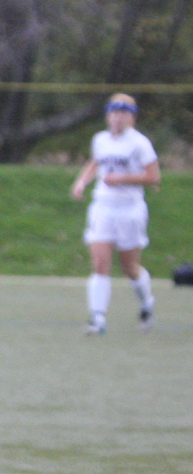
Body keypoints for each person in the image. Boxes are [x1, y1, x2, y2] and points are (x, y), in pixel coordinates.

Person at [71, 93, 161, 335]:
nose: (117, 118)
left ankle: (146, 303)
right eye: (113, 113)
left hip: (130, 210)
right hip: (103, 207)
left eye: (123, 113)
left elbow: (153, 177)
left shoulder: (140, 143)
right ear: (107, 116)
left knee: (130, 267)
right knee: (100, 263)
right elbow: (96, 162)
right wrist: (81, 182)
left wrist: (122, 178)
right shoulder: (100, 140)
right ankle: (98, 319)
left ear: (132, 118)